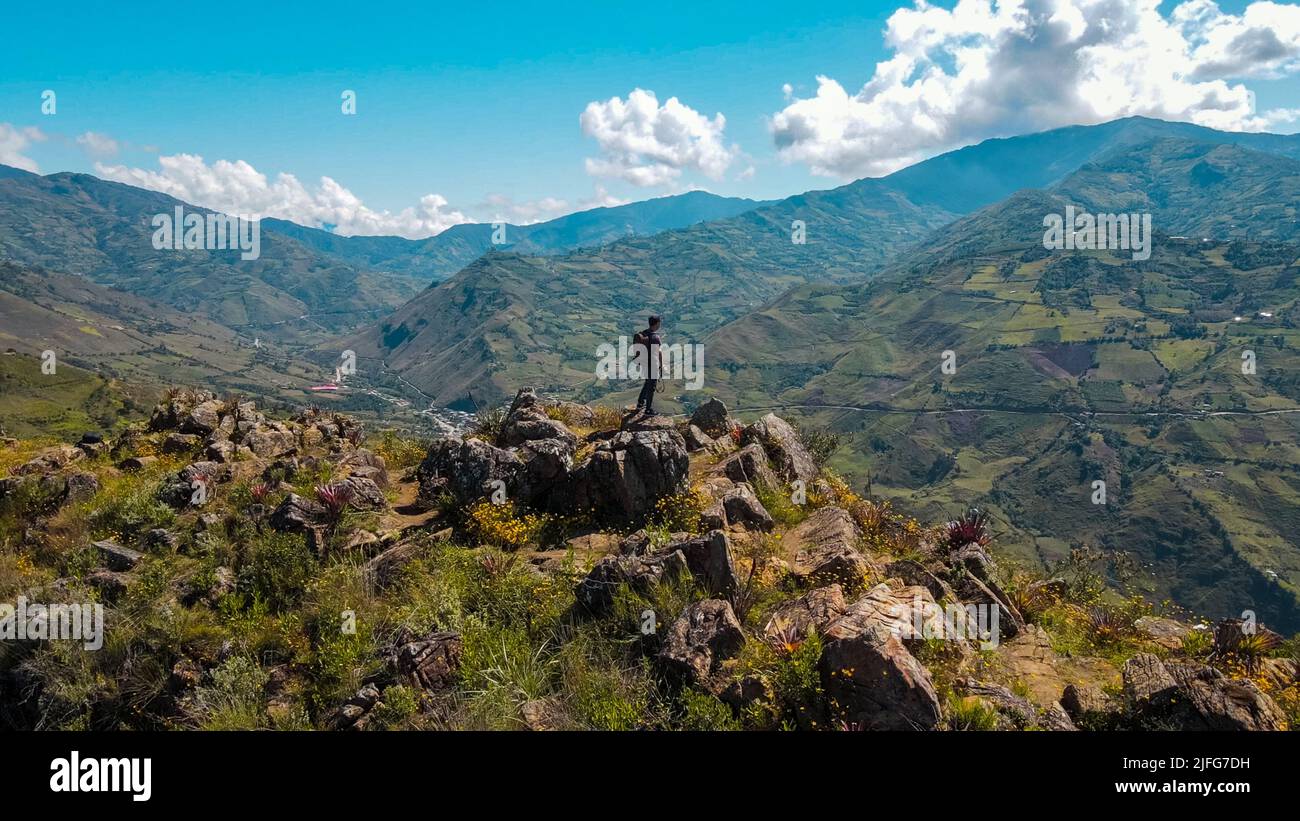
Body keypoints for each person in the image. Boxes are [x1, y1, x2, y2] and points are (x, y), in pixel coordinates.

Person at [633, 315, 663, 416]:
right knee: (651, 387)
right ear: (657, 324)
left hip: (644, 363)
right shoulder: (655, 337)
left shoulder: (644, 333)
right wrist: (661, 364)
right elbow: (658, 352)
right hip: (652, 365)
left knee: (647, 383)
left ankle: (640, 403)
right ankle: (648, 410)